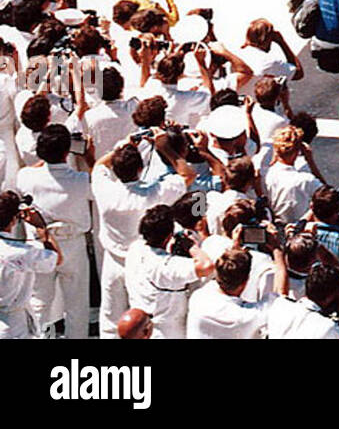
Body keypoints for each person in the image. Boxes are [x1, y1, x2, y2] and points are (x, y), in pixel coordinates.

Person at [91, 137, 194, 338]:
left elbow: (98, 166)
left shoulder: (105, 189)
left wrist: (122, 147)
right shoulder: (153, 194)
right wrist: (165, 147)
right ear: (140, 169)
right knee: (141, 318)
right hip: (143, 261)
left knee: (110, 317)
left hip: (113, 259)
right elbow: (188, 174)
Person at [16, 124, 91, 338]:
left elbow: (35, 172)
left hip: (38, 245)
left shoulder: (26, 176)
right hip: (72, 244)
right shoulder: (80, 180)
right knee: (77, 305)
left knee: (39, 303)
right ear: (67, 152)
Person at [124, 203, 214, 339]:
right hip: (167, 331)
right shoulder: (167, 266)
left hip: (140, 326)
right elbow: (206, 266)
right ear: (168, 237)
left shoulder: (135, 249)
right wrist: (190, 246)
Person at [186, 228, 289, 339]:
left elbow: (223, 274)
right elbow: (281, 296)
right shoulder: (248, 316)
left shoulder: (198, 297)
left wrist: (234, 247)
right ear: (246, 281)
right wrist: (277, 250)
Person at [0, 190, 60, 339]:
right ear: (14, 219)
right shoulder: (19, 252)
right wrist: (41, 229)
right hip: (12, 324)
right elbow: (56, 259)